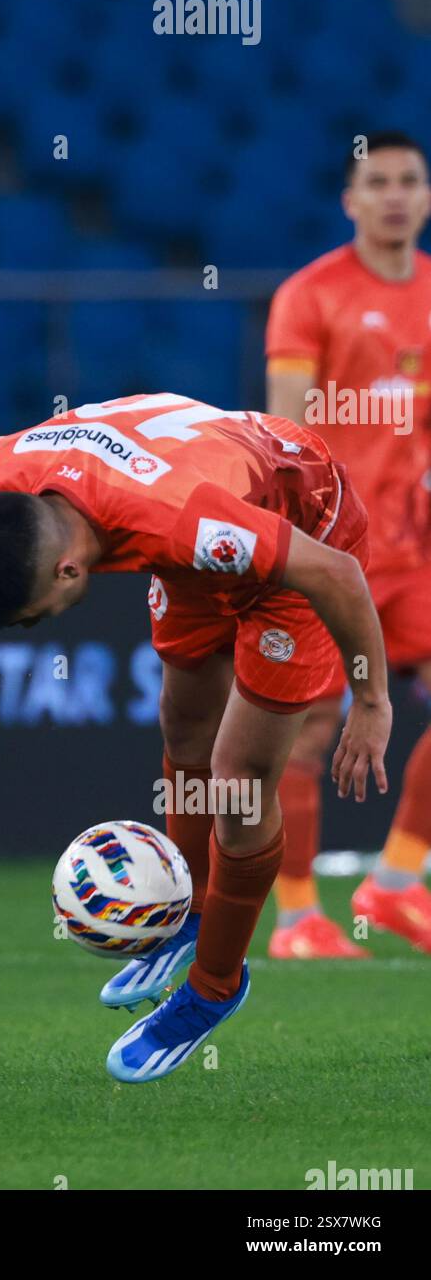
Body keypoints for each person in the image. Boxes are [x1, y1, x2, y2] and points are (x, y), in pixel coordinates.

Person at [0, 391, 391, 1083]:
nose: (44, 623)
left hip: (305, 525)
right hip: (200, 501)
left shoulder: (179, 521)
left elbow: (334, 573)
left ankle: (215, 986)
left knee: (238, 783)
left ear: (68, 570)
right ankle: (185, 917)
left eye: (38, 616)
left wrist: (369, 698)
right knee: (182, 724)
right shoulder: (1, 471)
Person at [266, 131, 431, 958]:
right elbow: (286, 437)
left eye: (409, 180)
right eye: (378, 181)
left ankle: (395, 884)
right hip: (332, 552)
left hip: (413, 553)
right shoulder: (310, 295)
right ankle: (298, 920)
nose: (395, 194)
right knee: (308, 734)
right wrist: (299, 550)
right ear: (350, 199)